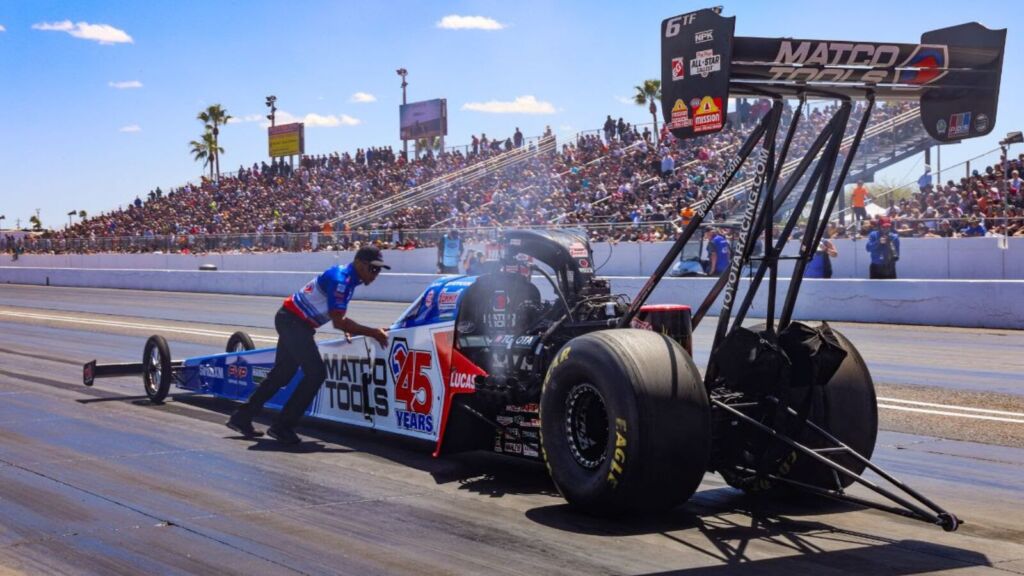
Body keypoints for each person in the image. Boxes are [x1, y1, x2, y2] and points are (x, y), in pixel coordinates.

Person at [226, 246, 391, 444]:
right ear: (359, 263)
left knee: (283, 374)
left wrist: (349, 326)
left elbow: (338, 317)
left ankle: (241, 417)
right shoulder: (342, 281)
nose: (376, 275)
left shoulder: (348, 277)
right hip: (294, 323)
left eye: (379, 271)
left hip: (291, 320)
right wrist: (372, 332)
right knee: (316, 373)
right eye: (373, 269)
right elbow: (338, 321)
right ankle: (282, 426)